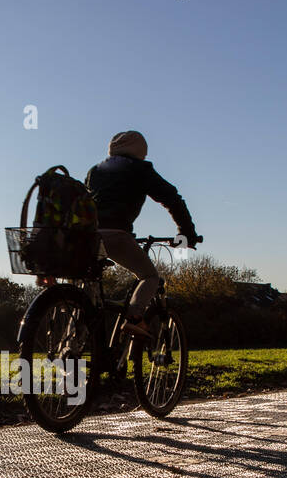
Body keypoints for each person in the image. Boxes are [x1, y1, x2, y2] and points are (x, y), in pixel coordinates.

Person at [84, 131, 201, 337]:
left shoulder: (96, 171)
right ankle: (135, 318)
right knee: (149, 276)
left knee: (91, 289)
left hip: (87, 237)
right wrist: (186, 233)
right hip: (117, 235)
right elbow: (172, 199)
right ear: (140, 151)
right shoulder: (139, 169)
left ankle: (81, 334)